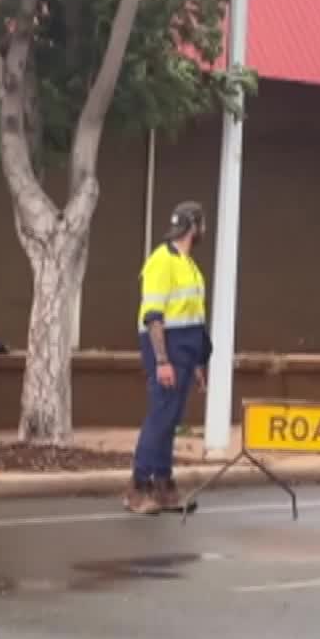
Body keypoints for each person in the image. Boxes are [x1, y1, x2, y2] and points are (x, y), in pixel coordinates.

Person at [127, 201, 213, 515]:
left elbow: (194, 316)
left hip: (186, 350)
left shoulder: (188, 264)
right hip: (166, 348)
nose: (204, 231)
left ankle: (164, 485)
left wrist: (200, 362)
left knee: (171, 420)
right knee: (161, 416)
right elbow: (153, 316)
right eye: (202, 225)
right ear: (194, 227)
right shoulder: (161, 261)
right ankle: (138, 487)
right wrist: (162, 361)